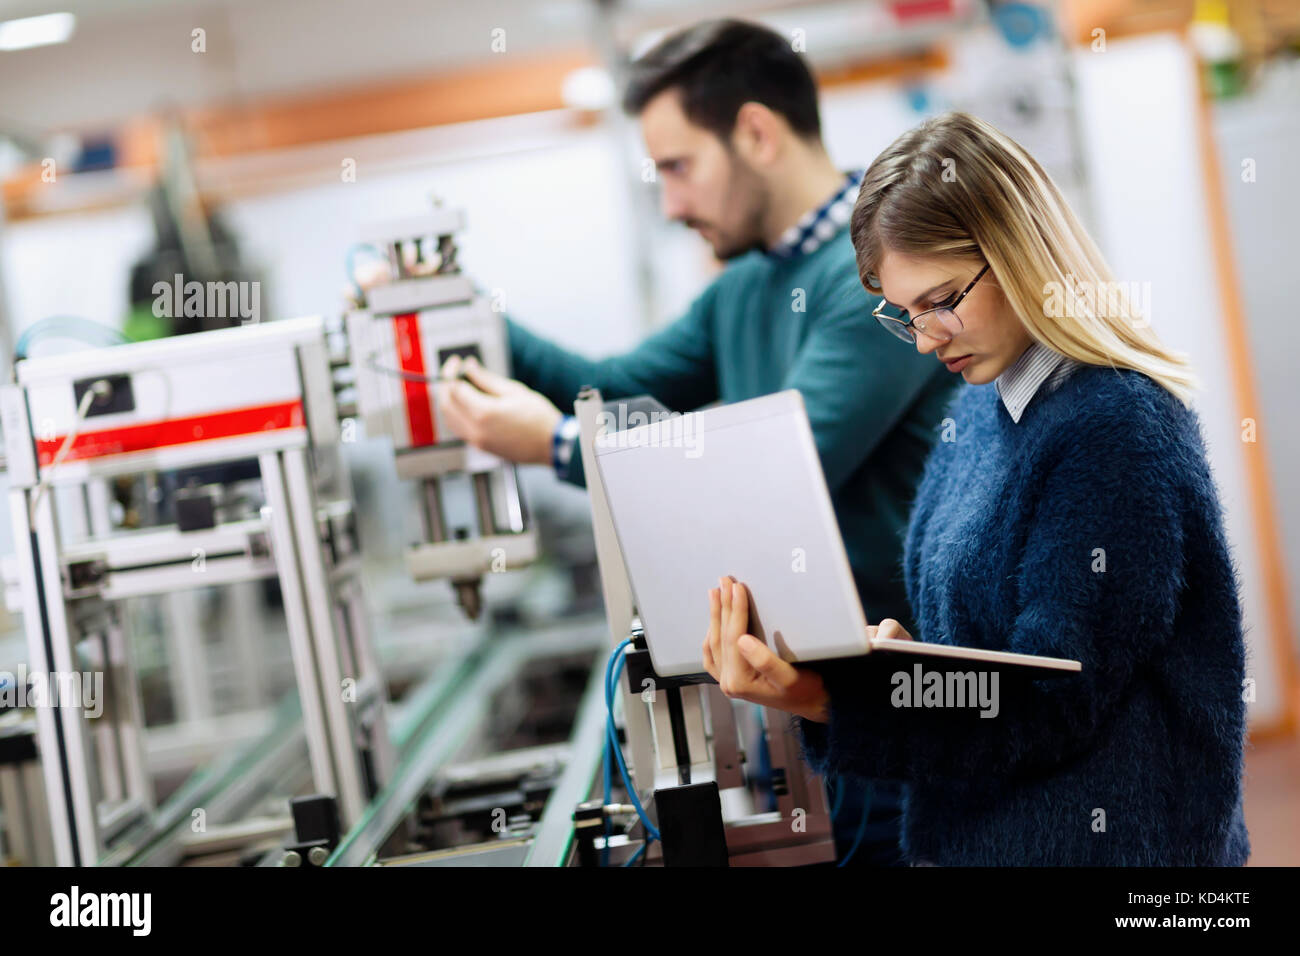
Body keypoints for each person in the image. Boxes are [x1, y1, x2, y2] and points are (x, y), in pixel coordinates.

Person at [435, 20, 960, 864]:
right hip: (809, 698)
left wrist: (557, 448)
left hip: (895, 691)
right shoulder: (746, 284)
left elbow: (775, 477)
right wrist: (459, 311)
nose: (672, 205)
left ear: (756, 132)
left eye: (678, 168)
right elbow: (606, 386)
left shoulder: (877, 274)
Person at [702, 111, 1250, 866]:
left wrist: (831, 700)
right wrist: (902, 664)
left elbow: (1049, 704)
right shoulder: (982, 409)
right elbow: (996, 658)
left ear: (1017, 250)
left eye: (941, 300)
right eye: (904, 314)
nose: (926, 339)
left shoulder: (1114, 429)